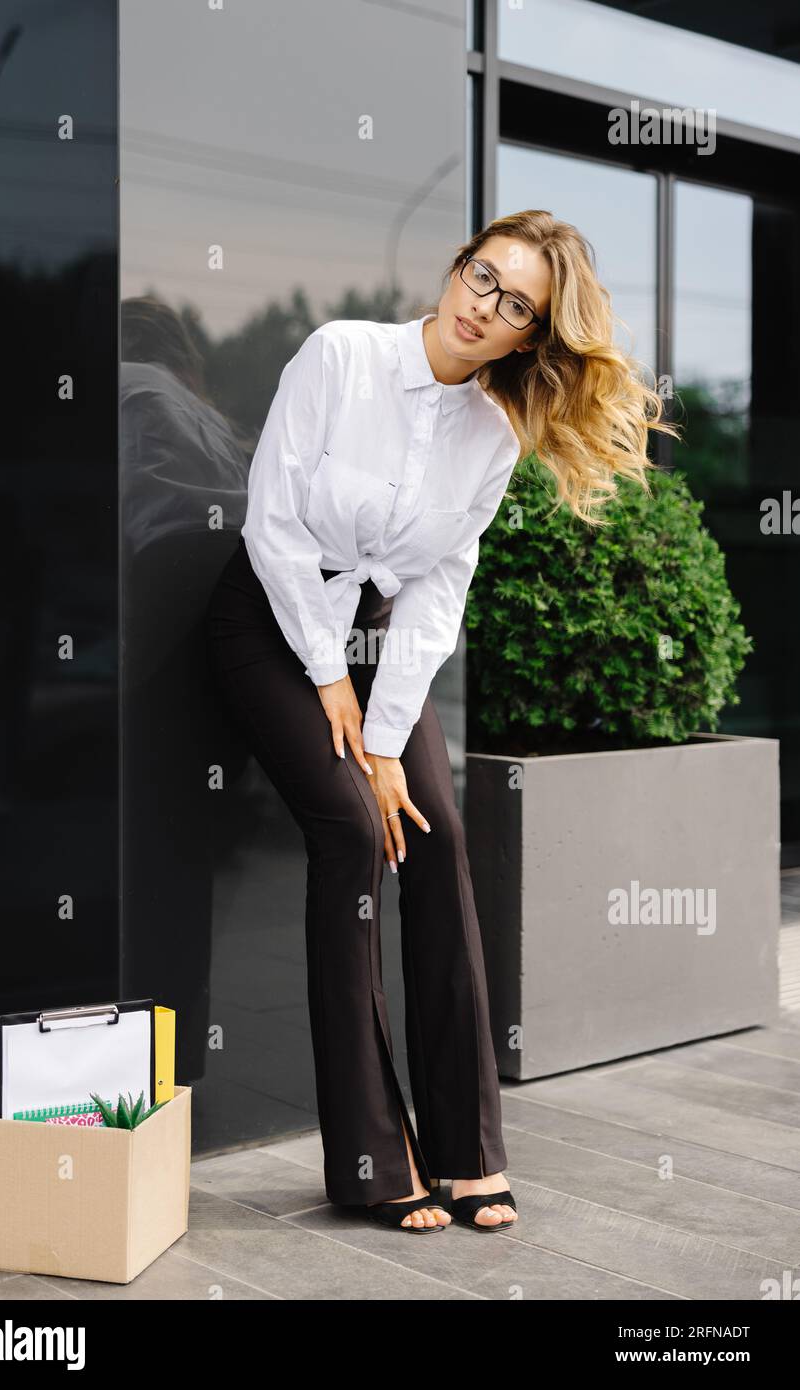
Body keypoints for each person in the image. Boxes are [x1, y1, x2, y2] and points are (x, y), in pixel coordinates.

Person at [204, 211, 677, 1235]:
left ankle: (465, 1148)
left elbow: (433, 594)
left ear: (528, 338)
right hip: (269, 620)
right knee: (349, 828)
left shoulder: (491, 434)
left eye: (515, 305)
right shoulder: (340, 355)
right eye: (480, 276)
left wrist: (384, 738)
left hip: (375, 643)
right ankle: (375, 1157)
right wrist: (333, 690)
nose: (482, 306)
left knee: (436, 830)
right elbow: (273, 524)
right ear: (454, 268)